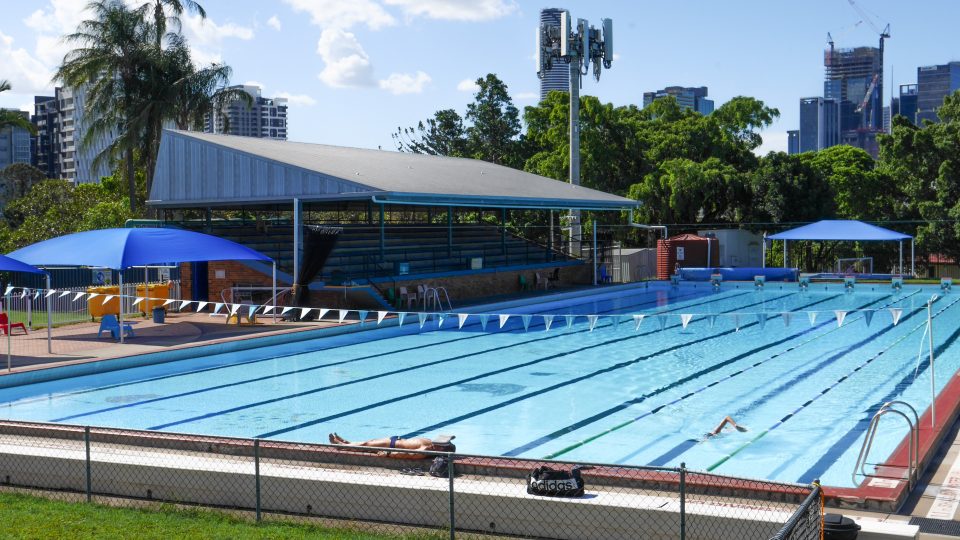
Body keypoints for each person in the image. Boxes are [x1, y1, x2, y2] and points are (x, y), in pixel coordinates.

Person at [329, 433, 455, 459]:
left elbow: (408, 454)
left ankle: (342, 446)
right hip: (394, 441)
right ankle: (346, 443)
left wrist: (388, 453)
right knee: (368, 441)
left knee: (366, 445)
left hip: (391, 445)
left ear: (441, 449)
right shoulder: (431, 444)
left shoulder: (426, 450)